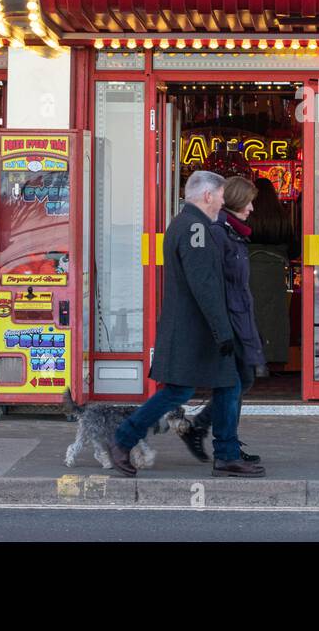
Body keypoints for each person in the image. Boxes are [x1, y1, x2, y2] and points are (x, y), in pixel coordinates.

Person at [108, 170, 264, 478]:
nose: (223, 201)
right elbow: (204, 285)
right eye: (221, 196)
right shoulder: (196, 228)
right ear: (208, 196)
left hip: (193, 328)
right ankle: (123, 440)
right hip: (195, 331)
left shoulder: (188, 224)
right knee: (177, 393)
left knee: (228, 385)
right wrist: (223, 331)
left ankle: (227, 454)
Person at [180, 176, 266, 465]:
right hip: (229, 320)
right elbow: (210, 281)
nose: (253, 207)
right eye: (249, 201)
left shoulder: (234, 232)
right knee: (234, 382)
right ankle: (224, 449)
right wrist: (220, 325)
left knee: (241, 380)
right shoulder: (219, 233)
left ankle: (201, 427)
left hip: (239, 317)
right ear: (236, 201)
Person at [247, 176, 296, 368]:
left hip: (249, 268)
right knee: (274, 317)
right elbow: (293, 248)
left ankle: (251, 359)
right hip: (275, 270)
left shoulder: (247, 214)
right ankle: (273, 358)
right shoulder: (282, 215)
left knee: (250, 314)